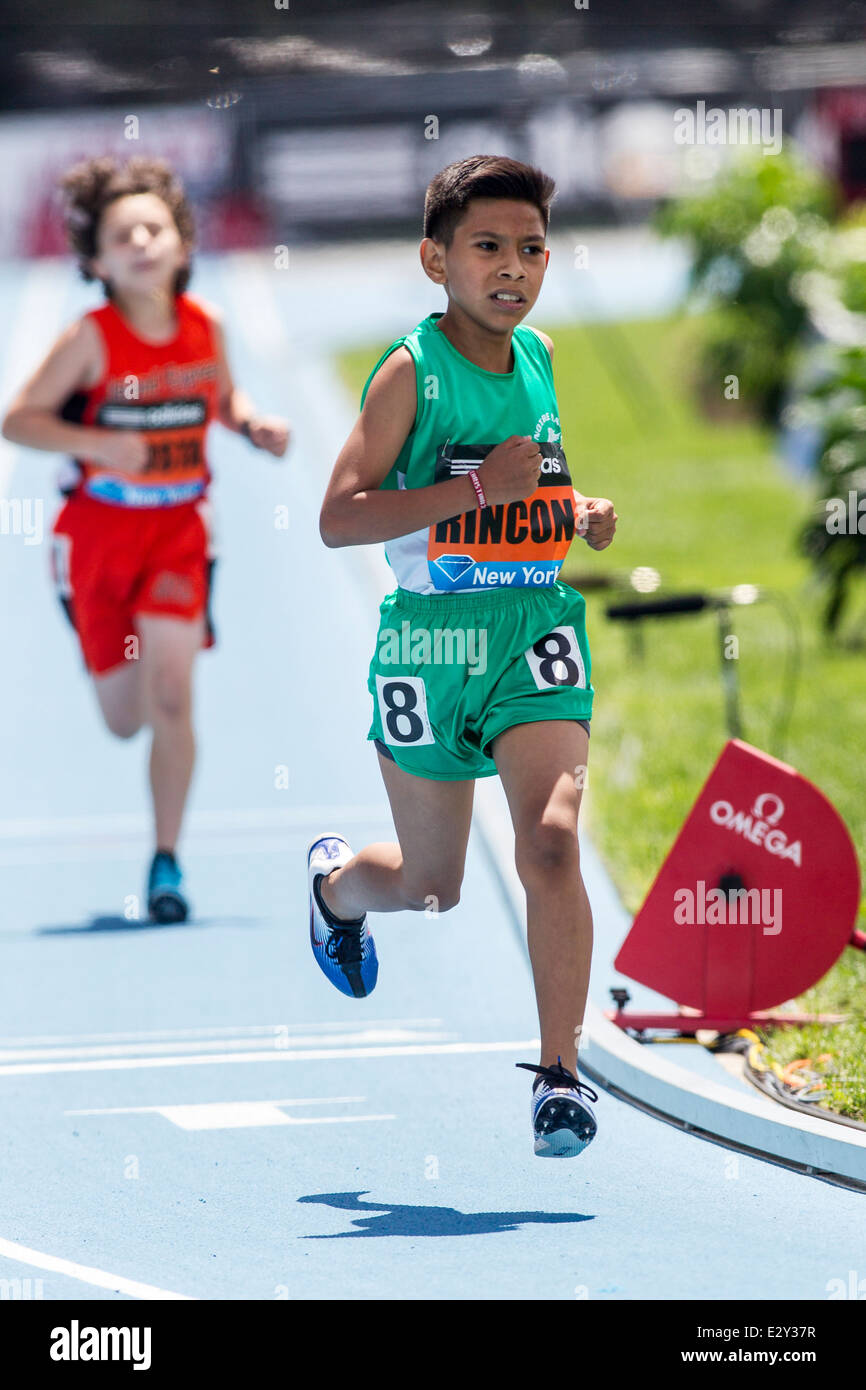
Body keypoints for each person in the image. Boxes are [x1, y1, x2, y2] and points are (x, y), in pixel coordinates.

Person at [309, 154, 617, 1158]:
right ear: (434, 259)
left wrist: (574, 508)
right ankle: (336, 891)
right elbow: (338, 519)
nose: (513, 268)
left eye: (530, 248)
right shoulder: (410, 370)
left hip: (532, 630)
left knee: (550, 843)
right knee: (431, 886)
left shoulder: (540, 355)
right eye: (488, 247)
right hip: (429, 642)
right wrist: (479, 489)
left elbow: (537, 480)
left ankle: (560, 1077)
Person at [1, 156, 289, 923]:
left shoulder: (206, 328)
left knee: (171, 693)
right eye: (120, 234)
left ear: (182, 245)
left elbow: (220, 396)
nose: (139, 242)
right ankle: (99, 645)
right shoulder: (89, 340)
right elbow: (17, 420)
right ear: (96, 261)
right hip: (97, 541)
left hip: (179, 534)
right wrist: (97, 445)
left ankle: (167, 861)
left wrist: (251, 421)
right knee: (123, 717)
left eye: (152, 228)